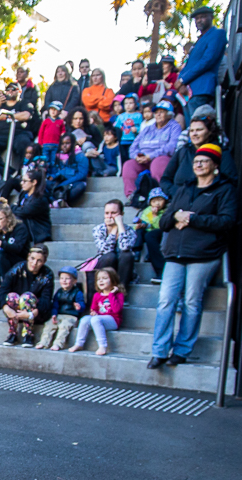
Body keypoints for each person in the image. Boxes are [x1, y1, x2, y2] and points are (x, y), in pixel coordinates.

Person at [148, 144, 237, 368]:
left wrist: (193, 218)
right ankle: (159, 351)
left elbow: (227, 222)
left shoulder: (224, 190)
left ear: (215, 165)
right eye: (196, 161)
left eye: (204, 161)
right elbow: (165, 222)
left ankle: (182, 350)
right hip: (175, 253)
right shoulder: (184, 189)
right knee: (165, 300)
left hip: (203, 255)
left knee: (191, 302)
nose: (198, 164)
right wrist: (177, 215)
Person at [160, 114, 238, 199]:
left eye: (199, 130)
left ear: (210, 131)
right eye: (192, 131)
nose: (194, 134)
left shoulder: (221, 153)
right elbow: (165, 180)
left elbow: (230, 182)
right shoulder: (183, 151)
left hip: (208, 204)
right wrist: (178, 194)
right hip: (180, 202)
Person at [0, 246, 54, 348]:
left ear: (44, 262)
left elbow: (46, 301)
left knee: (27, 296)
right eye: (32, 258)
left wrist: (31, 314)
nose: (34, 263)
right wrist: (6, 308)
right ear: (28, 257)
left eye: (39, 261)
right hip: (15, 312)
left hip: (34, 312)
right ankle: (13, 333)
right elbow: (2, 291)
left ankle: (28, 334)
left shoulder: (47, 274)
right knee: (11, 296)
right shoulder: (17, 269)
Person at [176, 6, 227, 121]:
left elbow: (207, 60)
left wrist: (183, 80)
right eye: (197, 18)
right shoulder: (198, 41)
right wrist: (180, 81)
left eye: (203, 17)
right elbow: (189, 64)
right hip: (188, 92)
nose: (199, 20)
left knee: (201, 127)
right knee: (192, 130)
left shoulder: (217, 34)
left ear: (211, 17)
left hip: (202, 88)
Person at [122, 101, 182, 198]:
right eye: (156, 112)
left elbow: (172, 147)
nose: (158, 114)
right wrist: (136, 156)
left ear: (169, 115)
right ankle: (132, 196)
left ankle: (162, 194)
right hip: (143, 158)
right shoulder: (147, 128)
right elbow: (133, 146)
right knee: (128, 165)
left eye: (162, 112)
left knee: (157, 164)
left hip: (161, 157)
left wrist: (151, 156)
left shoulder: (174, 127)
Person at [0, 82, 40, 175]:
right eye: (8, 89)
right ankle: (9, 172)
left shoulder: (24, 103)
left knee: (23, 144)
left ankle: (23, 172)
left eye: (13, 89)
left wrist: (5, 116)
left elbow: (26, 115)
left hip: (19, 133)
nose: (10, 91)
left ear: (20, 91)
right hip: (0, 134)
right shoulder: (0, 105)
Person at [68, 267, 123, 355]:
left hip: (114, 321)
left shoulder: (118, 295)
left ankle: (102, 346)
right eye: (99, 279)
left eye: (104, 278)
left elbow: (117, 310)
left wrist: (111, 294)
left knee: (95, 319)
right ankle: (79, 343)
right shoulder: (97, 295)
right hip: (99, 320)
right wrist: (93, 312)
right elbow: (94, 309)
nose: (101, 281)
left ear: (113, 280)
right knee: (85, 319)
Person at [90, 199, 136, 297]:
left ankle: (121, 293)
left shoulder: (129, 231)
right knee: (110, 256)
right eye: (107, 213)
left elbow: (125, 247)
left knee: (127, 255)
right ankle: (104, 293)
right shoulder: (98, 229)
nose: (109, 216)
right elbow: (105, 250)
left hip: (123, 268)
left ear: (121, 214)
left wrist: (119, 226)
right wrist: (114, 230)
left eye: (113, 213)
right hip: (106, 263)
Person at [36, 266, 86, 351]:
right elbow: (55, 304)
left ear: (74, 281)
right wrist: (54, 314)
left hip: (71, 316)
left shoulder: (77, 292)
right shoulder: (59, 292)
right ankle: (43, 342)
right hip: (60, 315)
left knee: (64, 327)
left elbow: (82, 304)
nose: (64, 280)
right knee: (49, 325)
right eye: (62, 278)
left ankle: (58, 344)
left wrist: (79, 307)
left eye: (67, 278)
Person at [134, 188, 169, 283]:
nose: (157, 203)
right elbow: (144, 221)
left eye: (160, 200)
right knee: (139, 232)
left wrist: (155, 216)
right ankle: (136, 251)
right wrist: (140, 225)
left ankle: (160, 270)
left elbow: (159, 225)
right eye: (154, 201)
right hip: (147, 231)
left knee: (150, 235)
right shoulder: (147, 211)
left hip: (158, 231)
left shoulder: (165, 211)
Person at [48, 134, 90, 207]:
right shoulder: (58, 156)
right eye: (62, 144)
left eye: (67, 143)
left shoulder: (80, 156)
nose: (64, 146)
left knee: (80, 187)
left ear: (73, 144)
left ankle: (61, 201)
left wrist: (64, 183)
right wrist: (53, 176)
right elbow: (55, 171)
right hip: (60, 181)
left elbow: (82, 175)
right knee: (45, 184)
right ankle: (56, 201)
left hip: (74, 182)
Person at [12, 167, 52, 243]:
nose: (21, 183)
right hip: (27, 229)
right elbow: (20, 209)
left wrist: (12, 206)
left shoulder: (40, 199)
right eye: (21, 180)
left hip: (37, 233)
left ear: (34, 182)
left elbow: (24, 212)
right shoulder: (24, 194)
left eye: (25, 181)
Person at [38, 101, 66, 166]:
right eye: (51, 109)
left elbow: (63, 132)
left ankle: (52, 174)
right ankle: (45, 173)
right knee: (45, 160)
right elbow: (41, 132)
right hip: (46, 144)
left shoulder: (61, 122)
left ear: (59, 112)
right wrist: (40, 142)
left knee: (53, 160)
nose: (53, 111)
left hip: (56, 144)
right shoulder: (46, 121)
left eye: (55, 110)